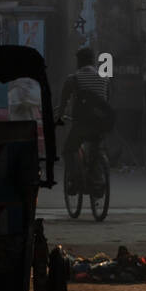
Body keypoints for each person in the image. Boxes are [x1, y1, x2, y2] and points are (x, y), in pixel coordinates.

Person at [56, 46, 105, 187]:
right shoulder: (104, 78)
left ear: (79, 62)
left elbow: (64, 101)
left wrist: (60, 116)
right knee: (95, 149)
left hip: (82, 123)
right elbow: (106, 99)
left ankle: (74, 179)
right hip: (102, 123)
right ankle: (98, 178)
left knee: (68, 150)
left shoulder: (73, 79)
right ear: (93, 61)